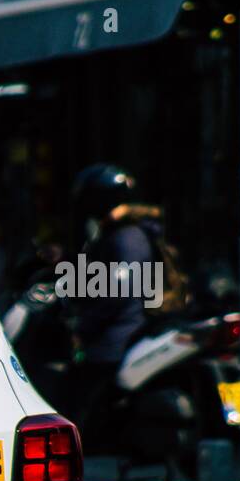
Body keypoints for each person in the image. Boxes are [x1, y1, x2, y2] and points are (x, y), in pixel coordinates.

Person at [67, 163, 159, 441]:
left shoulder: (125, 238)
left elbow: (116, 293)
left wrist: (83, 328)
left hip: (117, 335)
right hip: (123, 328)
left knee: (78, 395)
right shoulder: (127, 233)